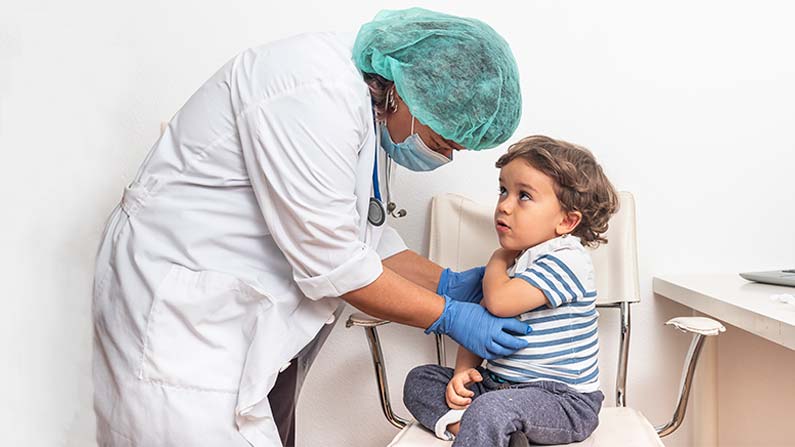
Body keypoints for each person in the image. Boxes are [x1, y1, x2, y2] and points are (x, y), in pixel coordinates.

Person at [92, 8, 527, 447]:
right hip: (182, 318)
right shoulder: (314, 90)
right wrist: (448, 315)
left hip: (240, 321)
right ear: (411, 94)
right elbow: (336, 262)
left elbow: (364, 238)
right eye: (441, 142)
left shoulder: (365, 104)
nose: (444, 159)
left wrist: (452, 284)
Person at [403, 135, 620, 447]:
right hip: (497, 389)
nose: (504, 205)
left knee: (492, 409)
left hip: (562, 401)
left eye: (524, 196)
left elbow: (498, 304)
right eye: (503, 190)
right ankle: (476, 430)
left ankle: (484, 427)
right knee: (420, 380)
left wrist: (497, 258)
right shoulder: (519, 261)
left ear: (567, 220)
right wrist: (463, 374)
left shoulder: (569, 259)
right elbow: (479, 326)